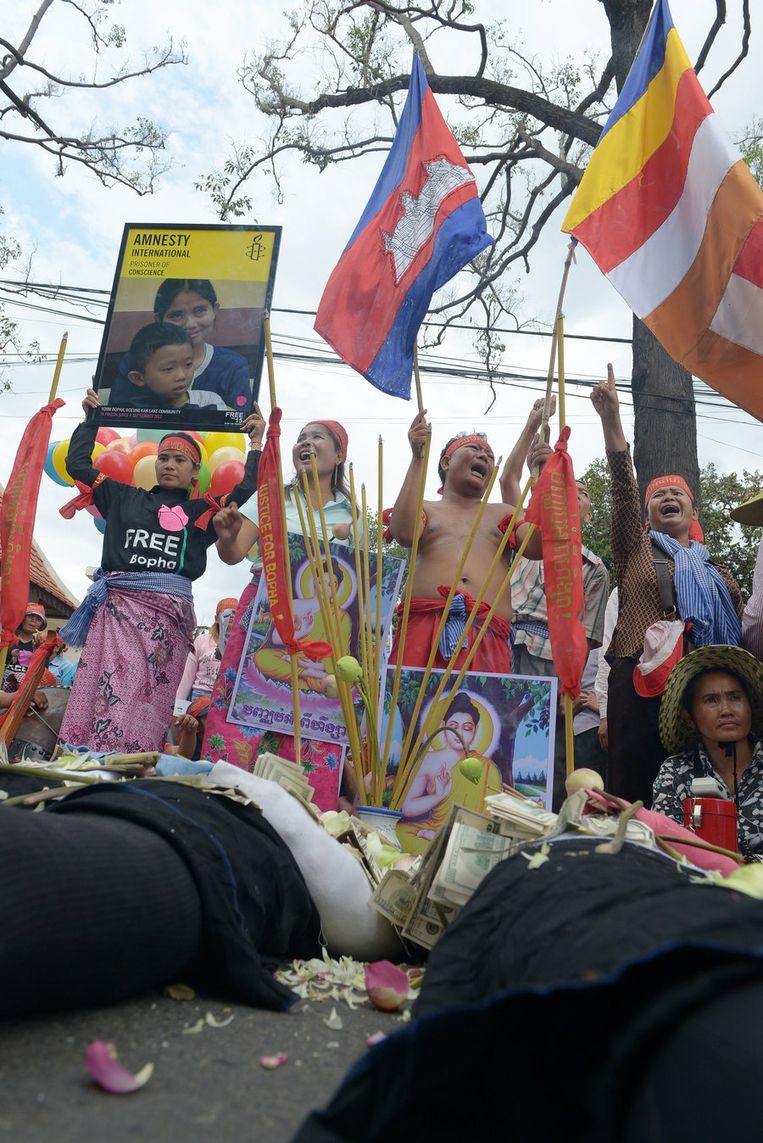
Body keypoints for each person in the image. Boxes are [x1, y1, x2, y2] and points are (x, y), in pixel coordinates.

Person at [57, 389, 264, 754]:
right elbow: (77, 466)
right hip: (118, 616)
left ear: (195, 471)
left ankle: (134, 764)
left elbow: (248, 487)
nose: (169, 464)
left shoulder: (204, 511)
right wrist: (91, 419)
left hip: (168, 625)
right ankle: (89, 761)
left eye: (179, 460)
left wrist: (257, 443)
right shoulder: (122, 496)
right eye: (164, 457)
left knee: (149, 700)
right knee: (110, 690)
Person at [591, 366, 743, 806]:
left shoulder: (717, 572)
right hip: (638, 684)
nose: (668, 498)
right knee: (635, 793)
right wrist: (611, 420)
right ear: (647, 513)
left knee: (703, 793)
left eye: (677, 494)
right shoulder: (633, 549)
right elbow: (623, 492)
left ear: (693, 511)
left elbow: (743, 635)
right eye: (658, 495)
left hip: (701, 687)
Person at [202, 420, 354, 810]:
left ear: (339, 455)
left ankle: (305, 814)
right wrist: (225, 535)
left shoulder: (351, 512)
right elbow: (234, 553)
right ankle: (224, 804)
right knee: (241, 702)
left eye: (317, 437)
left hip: (322, 627)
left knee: (314, 726)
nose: (306, 442)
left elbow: (359, 580)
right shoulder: (270, 496)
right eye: (301, 437)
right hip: (264, 611)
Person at [502, 399, 609, 805]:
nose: (572, 493)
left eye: (581, 493)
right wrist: (533, 425)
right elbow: (508, 479)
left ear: (588, 513)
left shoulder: (593, 566)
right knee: (493, 735)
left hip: (554, 659)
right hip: (504, 644)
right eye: (565, 485)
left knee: (541, 755)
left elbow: (588, 635)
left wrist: (574, 688)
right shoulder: (524, 535)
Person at [388, 411, 542, 673]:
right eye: (474, 448)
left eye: (489, 455)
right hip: (423, 626)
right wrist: (417, 459)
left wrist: (546, 478)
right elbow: (404, 532)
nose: (484, 456)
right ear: (446, 462)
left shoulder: (504, 513)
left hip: (486, 634)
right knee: (412, 700)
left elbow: (537, 546)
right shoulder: (425, 508)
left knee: (481, 701)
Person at [653, 644, 763, 859]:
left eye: (735, 697)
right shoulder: (675, 772)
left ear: (750, 706)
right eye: (711, 700)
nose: (727, 710)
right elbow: (666, 847)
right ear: (689, 717)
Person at [109, 279, 251, 410]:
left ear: (214, 310)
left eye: (200, 310)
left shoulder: (233, 365)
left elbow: (241, 422)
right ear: (159, 319)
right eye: (176, 315)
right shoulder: (133, 362)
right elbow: (117, 415)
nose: (190, 324)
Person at [397, 691, 502, 854]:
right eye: (453, 727)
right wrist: (439, 795)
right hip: (434, 827)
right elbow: (408, 807)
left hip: (469, 836)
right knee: (397, 833)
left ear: (475, 730)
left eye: (467, 728)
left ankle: (445, 841)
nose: (459, 733)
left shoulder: (488, 768)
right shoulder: (428, 760)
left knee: (488, 843)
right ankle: (444, 842)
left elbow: (492, 818)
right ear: (443, 726)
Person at [117, 322, 226, 411]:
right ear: (139, 378)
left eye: (188, 364)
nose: (181, 376)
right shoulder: (131, 411)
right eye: (168, 369)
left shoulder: (208, 400)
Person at [176, 597, 239, 704]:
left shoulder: (242, 646)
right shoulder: (201, 640)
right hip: (200, 697)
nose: (231, 615)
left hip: (226, 699)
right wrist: (178, 705)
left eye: (234, 612)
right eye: (226, 612)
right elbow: (188, 676)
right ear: (217, 619)